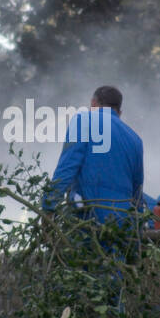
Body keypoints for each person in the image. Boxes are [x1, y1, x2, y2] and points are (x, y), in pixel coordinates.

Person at [42, 85, 147, 225]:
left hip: (89, 219)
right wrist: (138, 227)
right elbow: (137, 193)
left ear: (93, 103)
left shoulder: (83, 120)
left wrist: (49, 206)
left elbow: (67, 167)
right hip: (123, 227)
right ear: (119, 112)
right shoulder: (135, 140)